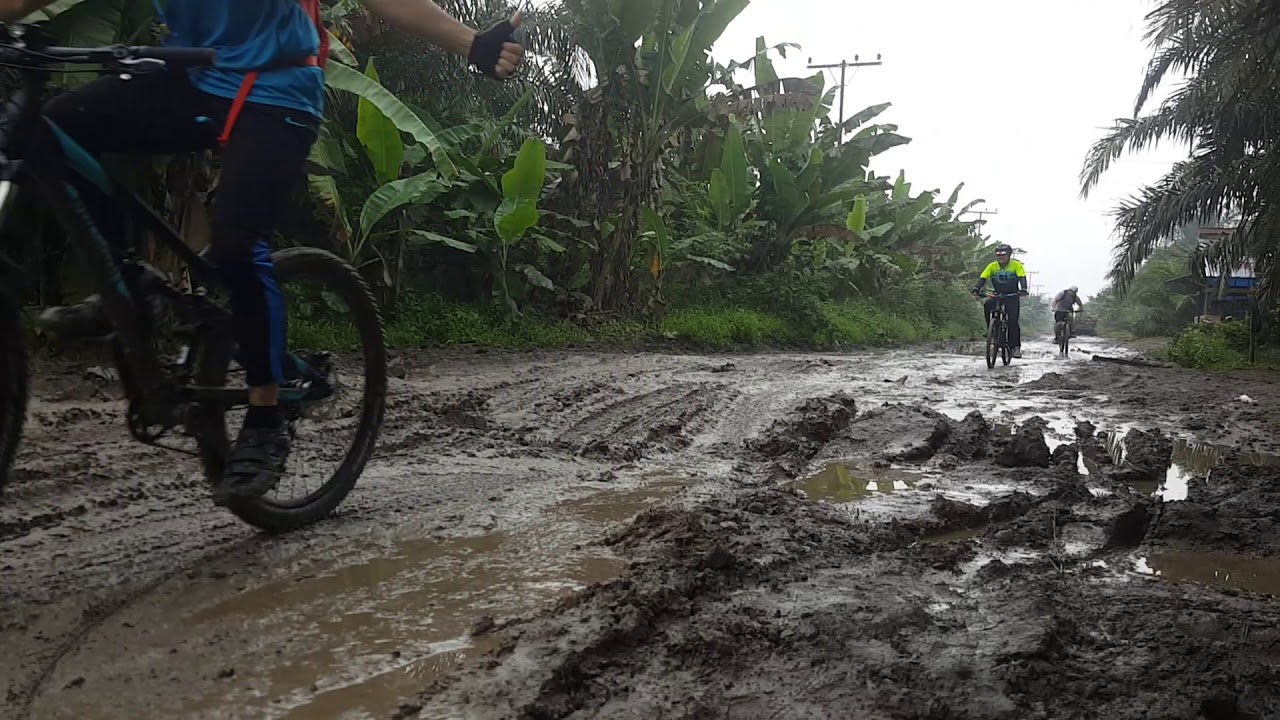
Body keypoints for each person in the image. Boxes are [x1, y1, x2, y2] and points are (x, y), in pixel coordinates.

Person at [0, 0, 525, 504]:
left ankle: (265, 418)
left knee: (236, 243)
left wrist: (473, 43)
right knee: (56, 125)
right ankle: (132, 285)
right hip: (192, 76)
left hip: (276, 91)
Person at [972, 243, 1029, 358]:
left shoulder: (1016, 266)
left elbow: (1022, 278)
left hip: (1012, 296)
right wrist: (976, 288)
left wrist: (1023, 289)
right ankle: (992, 330)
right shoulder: (992, 266)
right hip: (998, 295)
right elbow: (983, 278)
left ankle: (1015, 347)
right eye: (998, 255)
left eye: (1003, 255)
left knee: (1012, 321)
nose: (1001, 257)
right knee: (988, 305)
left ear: (1009, 255)